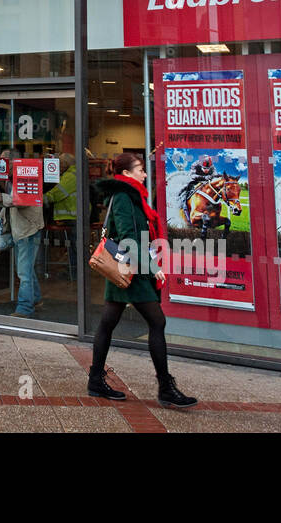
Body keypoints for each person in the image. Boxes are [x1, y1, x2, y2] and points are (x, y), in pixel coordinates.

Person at [87, 152, 198, 408]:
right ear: (126, 173)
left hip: (128, 267)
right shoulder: (125, 196)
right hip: (132, 268)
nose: (145, 174)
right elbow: (128, 236)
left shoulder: (133, 195)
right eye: (140, 169)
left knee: (108, 321)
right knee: (157, 321)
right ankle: (165, 388)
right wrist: (151, 267)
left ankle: (95, 380)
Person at [0, 149, 43, 318]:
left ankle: (24, 308)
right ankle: (35, 298)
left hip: (27, 229)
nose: (2, 162)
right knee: (26, 268)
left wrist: (2, 197)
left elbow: (22, 202)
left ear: (12, 161)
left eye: (4, 159)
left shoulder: (24, 175)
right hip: (23, 229)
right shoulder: (12, 178)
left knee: (23, 271)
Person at [44, 153, 79, 281]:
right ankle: (73, 271)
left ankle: (74, 273)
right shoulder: (74, 174)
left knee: (74, 247)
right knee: (74, 247)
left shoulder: (70, 176)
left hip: (72, 217)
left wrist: (40, 198)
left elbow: (57, 193)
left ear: (65, 164)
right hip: (73, 216)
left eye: (60, 164)